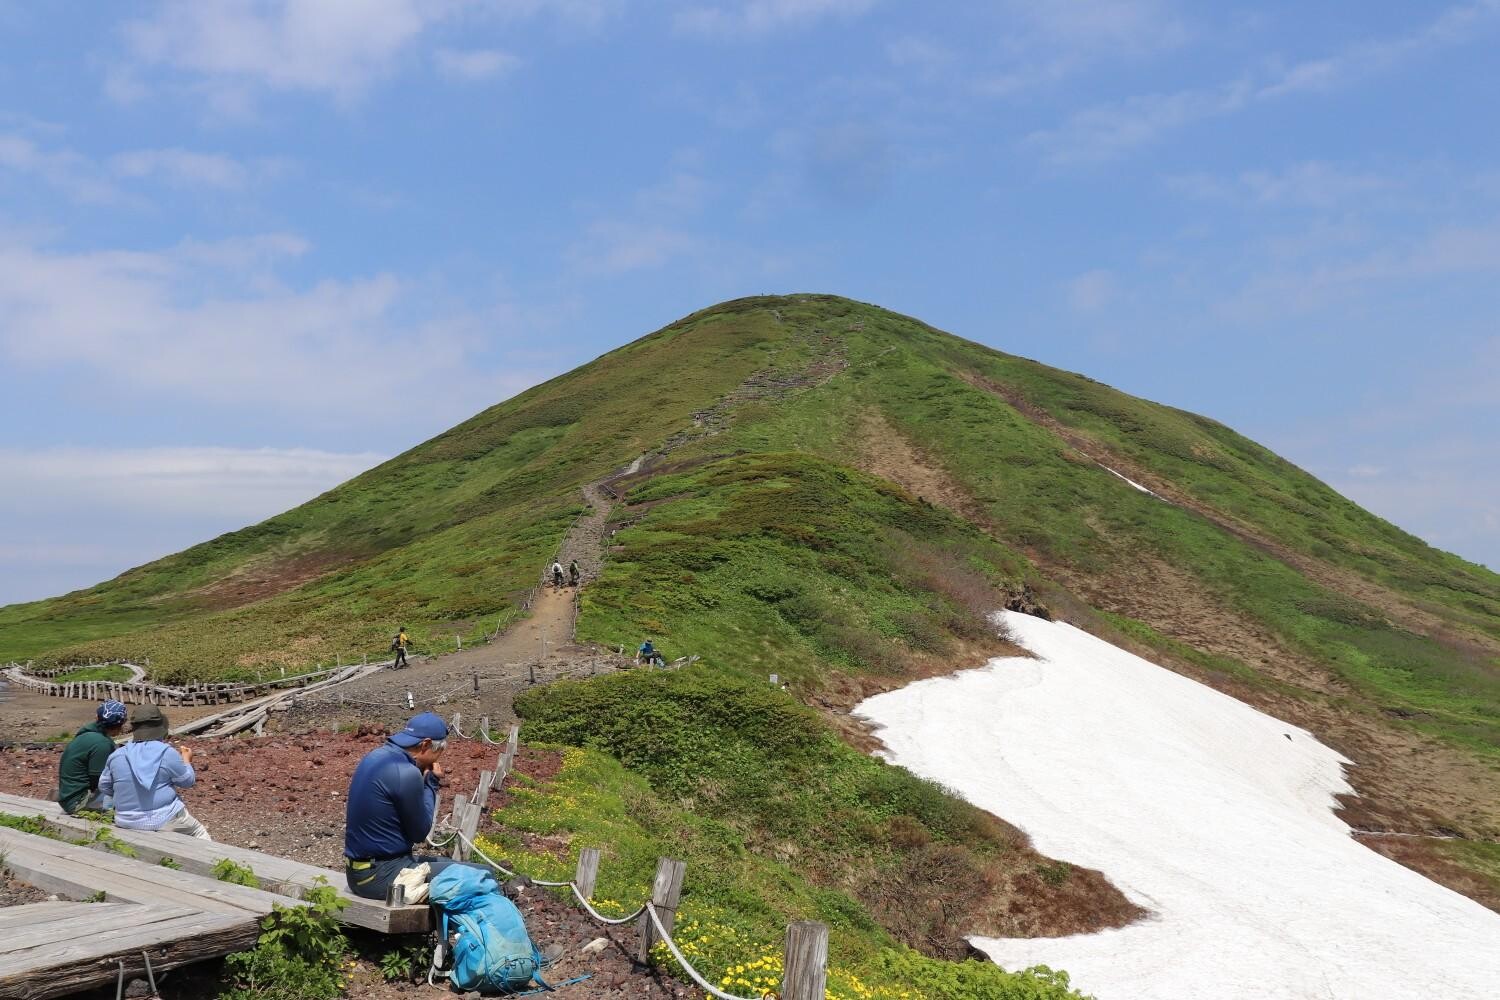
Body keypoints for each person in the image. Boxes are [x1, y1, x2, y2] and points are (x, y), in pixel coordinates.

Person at [344, 712, 490, 900]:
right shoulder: (406, 772)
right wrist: (431, 783)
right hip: (380, 877)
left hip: (357, 873)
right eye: (438, 753)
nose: (436, 761)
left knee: (448, 864)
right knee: (484, 875)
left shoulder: (374, 756)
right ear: (426, 744)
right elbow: (420, 833)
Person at [97, 705, 210, 839]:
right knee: (199, 832)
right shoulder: (166, 752)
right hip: (163, 819)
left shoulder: (117, 755)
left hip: (125, 820)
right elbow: (187, 782)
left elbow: (104, 786)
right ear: (160, 727)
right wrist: (186, 760)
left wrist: (128, 793)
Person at [57, 700, 127, 814]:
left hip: (68, 799)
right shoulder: (102, 744)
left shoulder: (85, 734)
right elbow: (100, 781)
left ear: (97, 717)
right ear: (120, 725)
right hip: (79, 803)